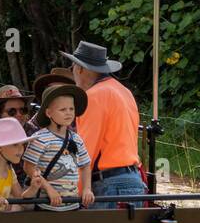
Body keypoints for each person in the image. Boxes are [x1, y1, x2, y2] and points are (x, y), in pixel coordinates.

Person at [62, 40, 147, 207]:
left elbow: (86, 152)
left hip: (109, 184)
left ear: (79, 69)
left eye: (72, 69)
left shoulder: (93, 96)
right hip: (134, 181)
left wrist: (76, 196)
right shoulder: (124, 91)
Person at [23, 83, 94, 211]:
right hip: (46, 203)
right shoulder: (39, 138)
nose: (68, 113)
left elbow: (85, 165)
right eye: (62, 110)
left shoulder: (76, 139)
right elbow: (29, 167)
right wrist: (48, 188)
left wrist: (87, 188)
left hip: (72, 202)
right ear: (49, 113)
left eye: (71, 109)